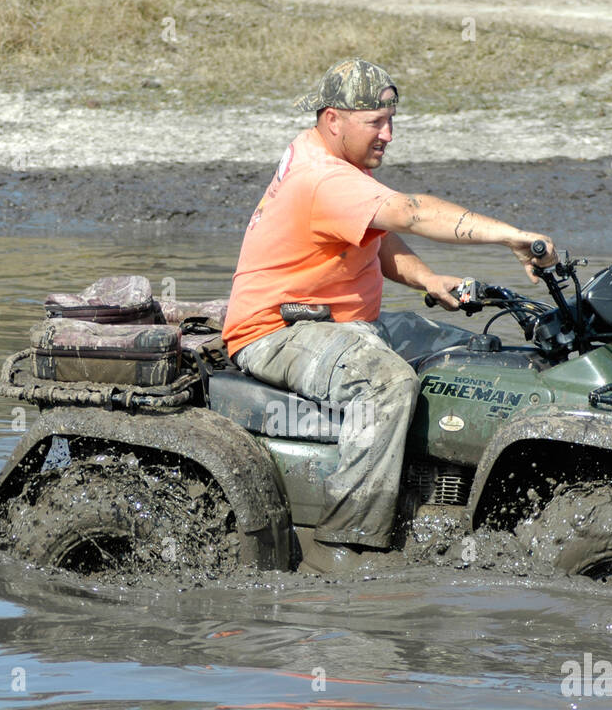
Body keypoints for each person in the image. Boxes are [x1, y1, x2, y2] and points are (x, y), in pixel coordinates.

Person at [223, 57, 557, 572]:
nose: (389, 135)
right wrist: (512, 235)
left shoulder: (323, 155)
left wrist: (427, 279)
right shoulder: (321, 177)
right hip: (278, 331)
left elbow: (372, 233)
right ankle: (346, 545)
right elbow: (412, 212)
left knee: (466, 354)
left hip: (341, 322)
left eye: (391, 120)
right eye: (375, 123)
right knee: (388, 384)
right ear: (334, 119)